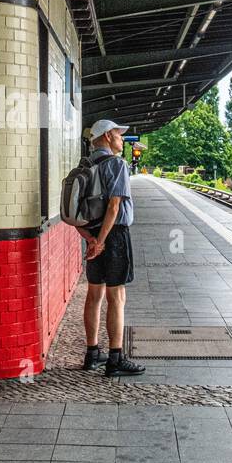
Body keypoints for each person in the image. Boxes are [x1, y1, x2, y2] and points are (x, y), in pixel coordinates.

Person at [75, 119, 145, 377]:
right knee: (117, 297)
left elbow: (74, 210)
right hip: (113, 236)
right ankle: (115, 358)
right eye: (117, 133)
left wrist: (91, 239)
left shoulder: (85, 165)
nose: (121, 139)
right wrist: (104, 241)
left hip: (93, 234)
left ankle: (92, 354)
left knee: (95, 295)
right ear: (106, 136)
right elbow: (114, 207)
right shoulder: (116, 164)